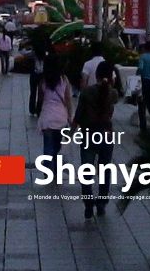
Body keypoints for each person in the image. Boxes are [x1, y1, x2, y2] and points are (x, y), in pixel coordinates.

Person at [73, 61, 119, 219]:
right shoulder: (112, 93)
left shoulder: (86, 92)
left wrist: (71, 131)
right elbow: (111, 109)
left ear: (97, 75)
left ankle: (88, 203)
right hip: (106, 135)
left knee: (86, 171)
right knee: (105, 170)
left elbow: (78, 115)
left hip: (88, 135)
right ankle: (102, 203)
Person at [37, 58, 72, 160]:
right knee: (57, 148)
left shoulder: (43, 81)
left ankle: (49, 173)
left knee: (48, 149)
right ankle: (55, 172)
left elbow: (40, 101)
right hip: (61, 118)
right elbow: (68, 100)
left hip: (47, 119)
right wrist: (70, 116)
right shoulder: (64, 79)